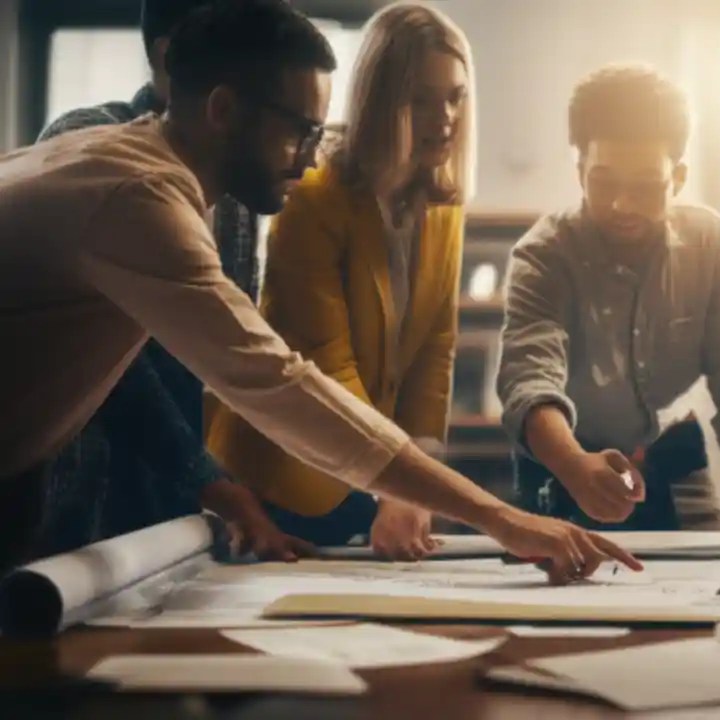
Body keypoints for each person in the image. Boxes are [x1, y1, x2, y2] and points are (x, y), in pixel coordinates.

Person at [0, 0, 639, 585]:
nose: (310, 160)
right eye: (301, 132)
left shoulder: (120, 161)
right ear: (222, 110)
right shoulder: (142, 200)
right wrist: (505, 519)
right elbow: (280, 384)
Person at [34, 0, 304, 561]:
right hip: (72, 495)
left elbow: (224, 344)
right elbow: (126, 374)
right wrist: (210, 480)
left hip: (171, 501)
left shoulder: (229, 172)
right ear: (170, 57)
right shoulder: (91, 144)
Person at [208, 1, 473, 560]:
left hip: (371, 476)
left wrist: (416, 481)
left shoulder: (444, 203)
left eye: (455, 96)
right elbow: (327, 363)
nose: (445, 117)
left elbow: (435, 353)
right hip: (285, 482)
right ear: (380, 100)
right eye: (421, 99)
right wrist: (396, 488)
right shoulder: (315, 196)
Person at [497, 65, 720, 537]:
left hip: (672, 458)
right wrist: (575, 467)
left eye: (646, 186)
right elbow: (529, 382)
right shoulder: (543, 255)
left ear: (678, 177)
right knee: (561, 600)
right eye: (603, 183)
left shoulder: (707, 244)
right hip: (563, 462)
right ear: (580, 169)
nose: (623, 205)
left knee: (705, 583)